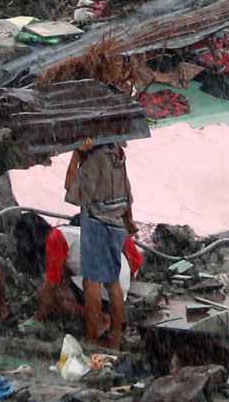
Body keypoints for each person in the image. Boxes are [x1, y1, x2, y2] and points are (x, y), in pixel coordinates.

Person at [64, 135, 134, 347]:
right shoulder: (117, 153)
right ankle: (116, 335)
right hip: (116, 221)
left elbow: (71, 189)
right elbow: (127, 192)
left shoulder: (94, 159)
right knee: (112, 281)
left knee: (91, 282)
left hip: (96, 221)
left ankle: (91, 337)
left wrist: (76, 155)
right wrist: (129, 221)